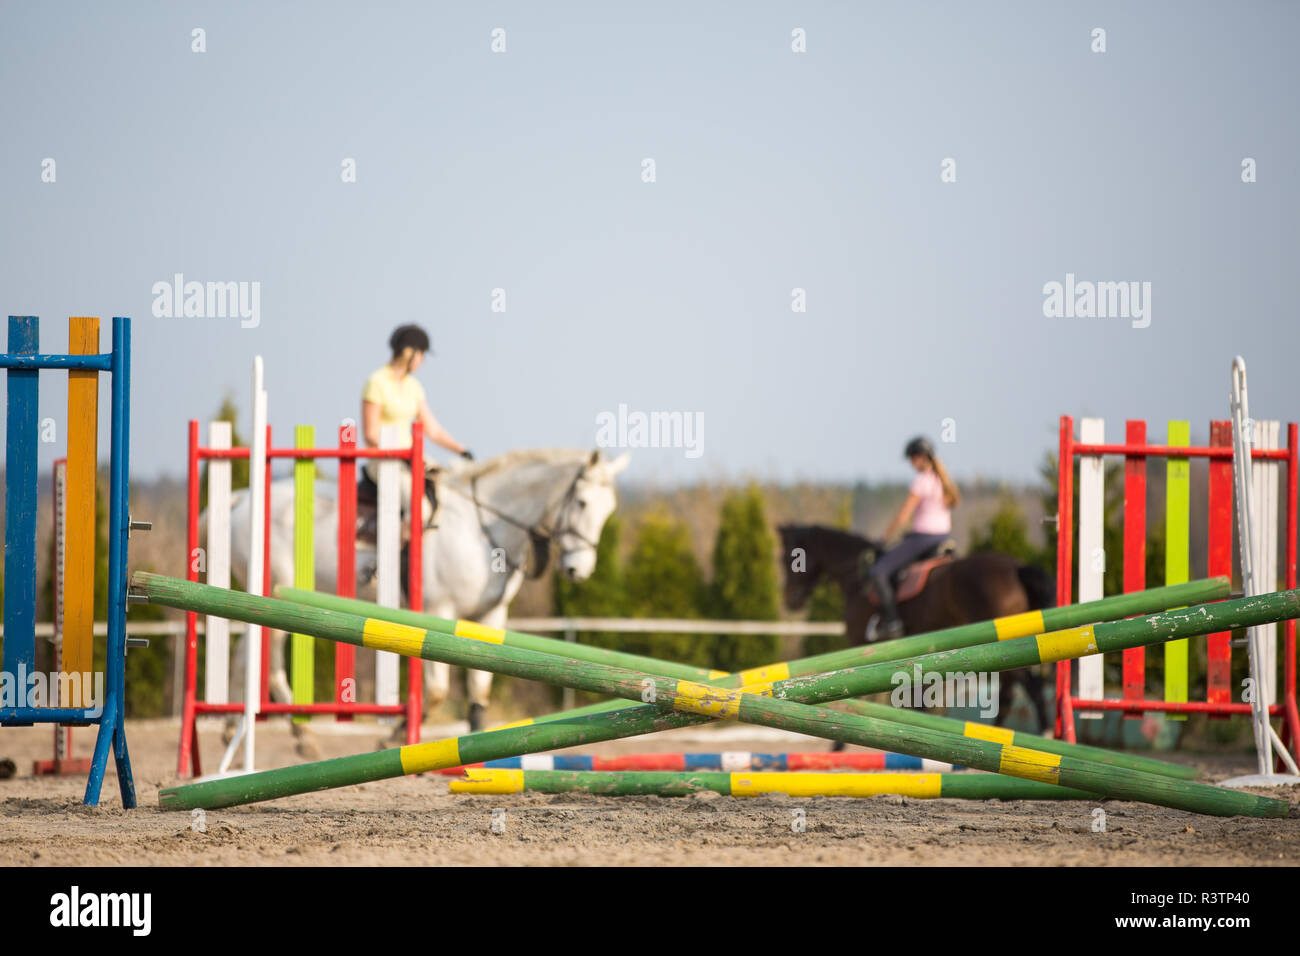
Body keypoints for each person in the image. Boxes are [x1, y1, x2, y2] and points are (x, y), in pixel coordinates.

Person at [361, 325, 472, 519]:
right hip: (384, 461)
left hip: (412, 458)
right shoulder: (377, 381)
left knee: (448, 492)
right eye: (420, 354)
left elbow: (433, 430)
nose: (422, 360)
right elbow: (370, 435)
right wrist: (399, 455)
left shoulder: (414, 386)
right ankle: (404, 547)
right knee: (419, 508)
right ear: (408, 352)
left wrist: (461, 450)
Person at [869, 436, 961, 638]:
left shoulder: (922, 482)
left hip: (923, 539)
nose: (911, 464)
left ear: (919, 457)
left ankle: (892, 622)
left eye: (911, 459)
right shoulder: (942, 481)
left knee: (879, 571)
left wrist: (883, 539)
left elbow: (903, 516)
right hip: (944, 538)